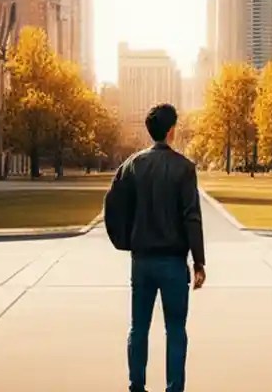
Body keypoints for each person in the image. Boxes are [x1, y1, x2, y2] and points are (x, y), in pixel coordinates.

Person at [104, 103, 206, 392]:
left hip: (142, 261)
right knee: (175, 330)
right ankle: (174, 388)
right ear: (171, 130)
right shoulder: (184, 168)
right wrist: (199, 262)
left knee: (138, 327)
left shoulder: (132, 165)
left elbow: (112, 206)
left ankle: (136, 385)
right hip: (173, 262)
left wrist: (125, 241)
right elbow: (192, 217)